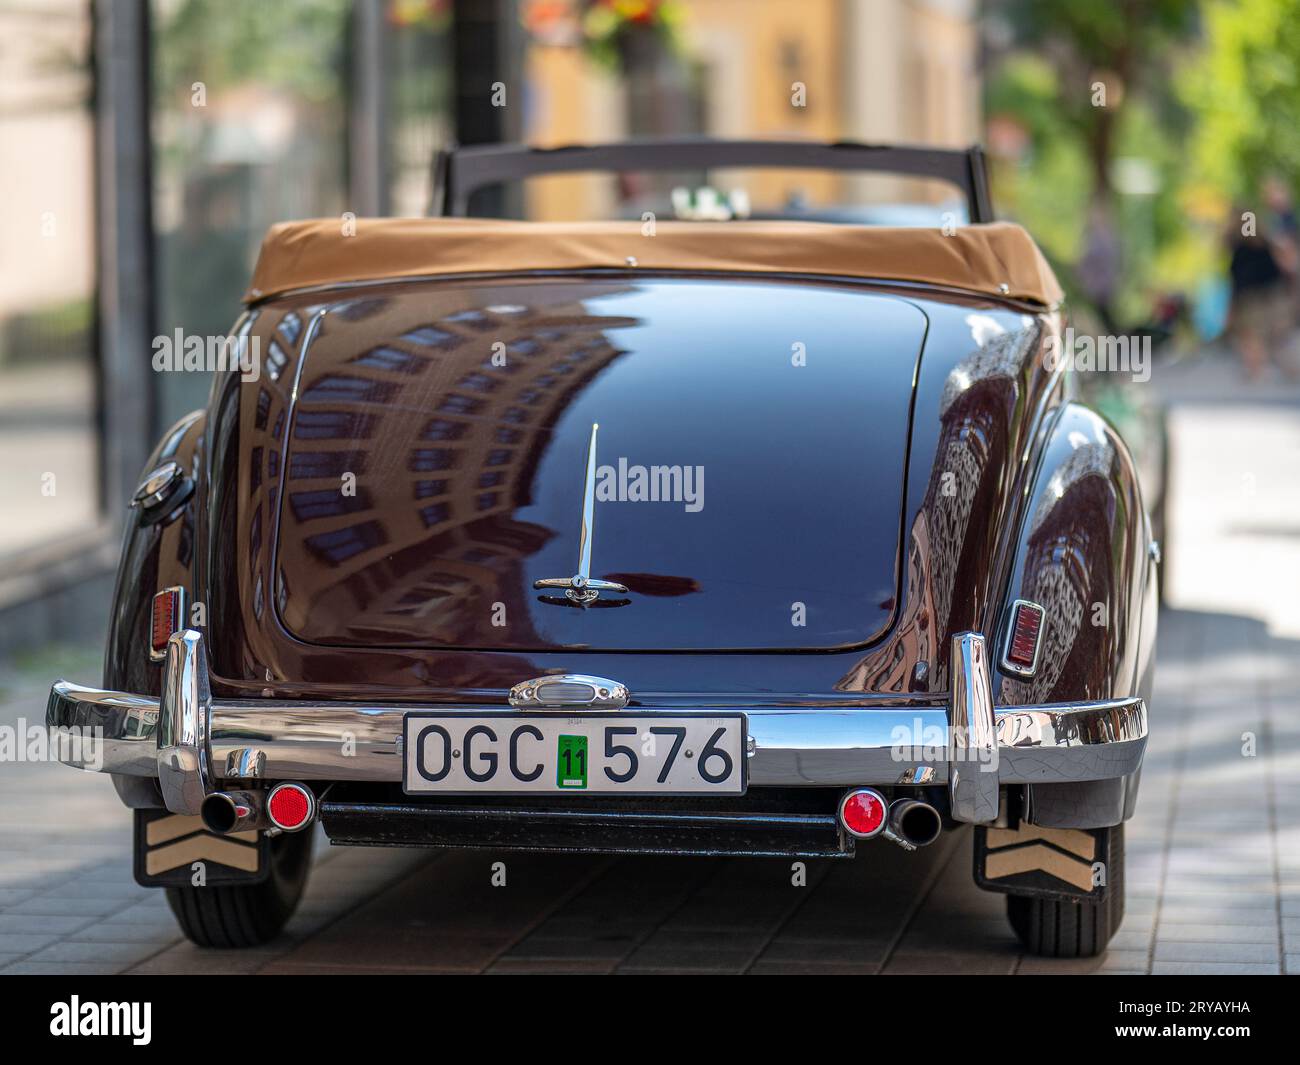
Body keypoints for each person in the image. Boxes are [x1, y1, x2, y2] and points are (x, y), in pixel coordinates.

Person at [1226, 206, 1293, 380]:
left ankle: (1257, 369)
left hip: (1257, 296)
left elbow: (1236, 278)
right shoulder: (1267, 243)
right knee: (1271, 335)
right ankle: (1266, 368)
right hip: (1268, 294)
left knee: (1254, 335)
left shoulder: (1243, 248)